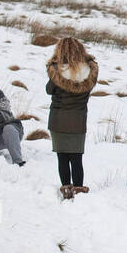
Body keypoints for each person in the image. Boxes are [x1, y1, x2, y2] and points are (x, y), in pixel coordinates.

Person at [45, 37, 98, 198]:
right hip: (78, 121)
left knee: (62, 158)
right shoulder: (89, 71)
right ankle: (79, 190)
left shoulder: (57, 71)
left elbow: (49, 90)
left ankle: (66, 189)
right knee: (76, 159)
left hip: (58, 121)